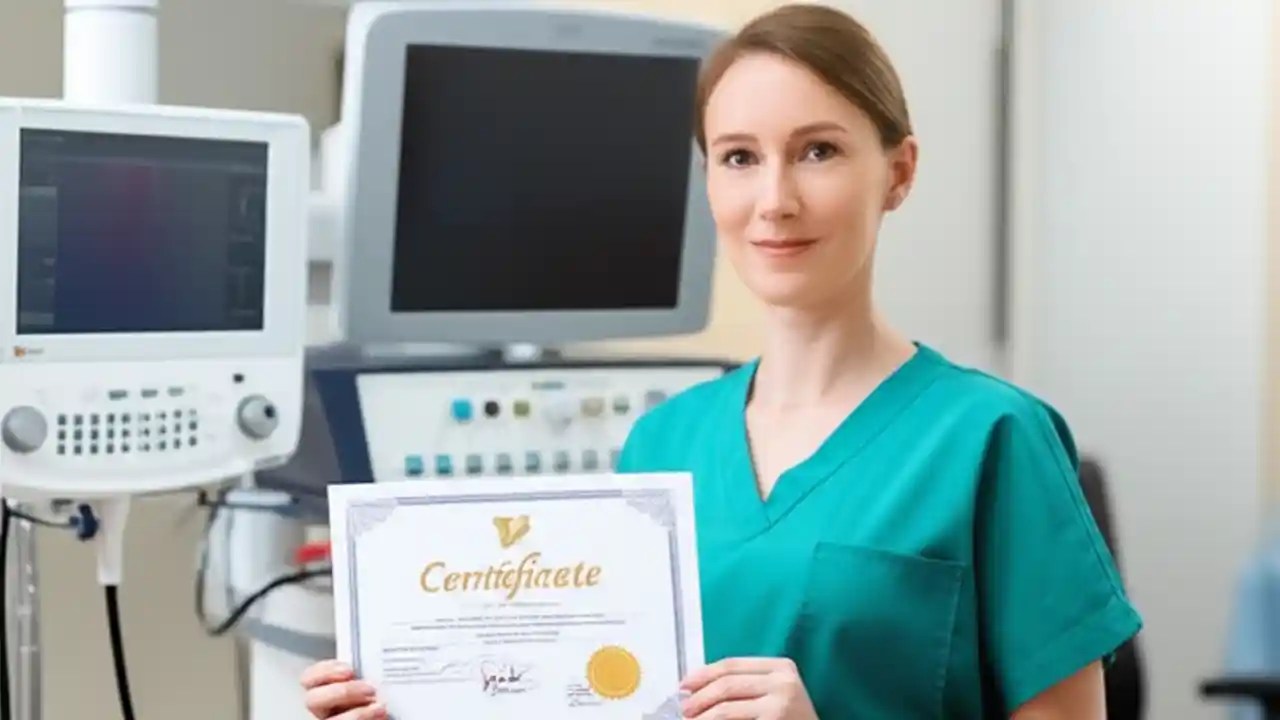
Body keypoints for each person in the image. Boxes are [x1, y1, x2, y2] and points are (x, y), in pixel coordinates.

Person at [300, 3, 1143, 719]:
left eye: (818, 150)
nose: (774, 200)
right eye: (740, 158)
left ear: (898, 171)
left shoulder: (992, 438)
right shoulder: (658, 448)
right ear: (710, 184)